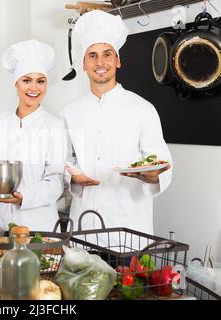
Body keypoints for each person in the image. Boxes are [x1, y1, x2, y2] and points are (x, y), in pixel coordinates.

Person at [61, 10, 173, 239]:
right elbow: (63, 161)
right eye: (92, 55)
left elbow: (162, 163)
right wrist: (71, 176)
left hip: (130, 229)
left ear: (118, 60)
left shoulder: (143, 109)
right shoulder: (69, 112)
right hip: (84, 229)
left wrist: (154, 176)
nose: (100, 62)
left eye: (107, 54)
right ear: (83, 63)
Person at [0, 39, 66, 232]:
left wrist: (23, 196)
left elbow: (56, 182)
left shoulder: (54, 126)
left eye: (40, 81)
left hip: (37, 228)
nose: (34, 88)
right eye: (27, 80)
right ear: (16, 84)